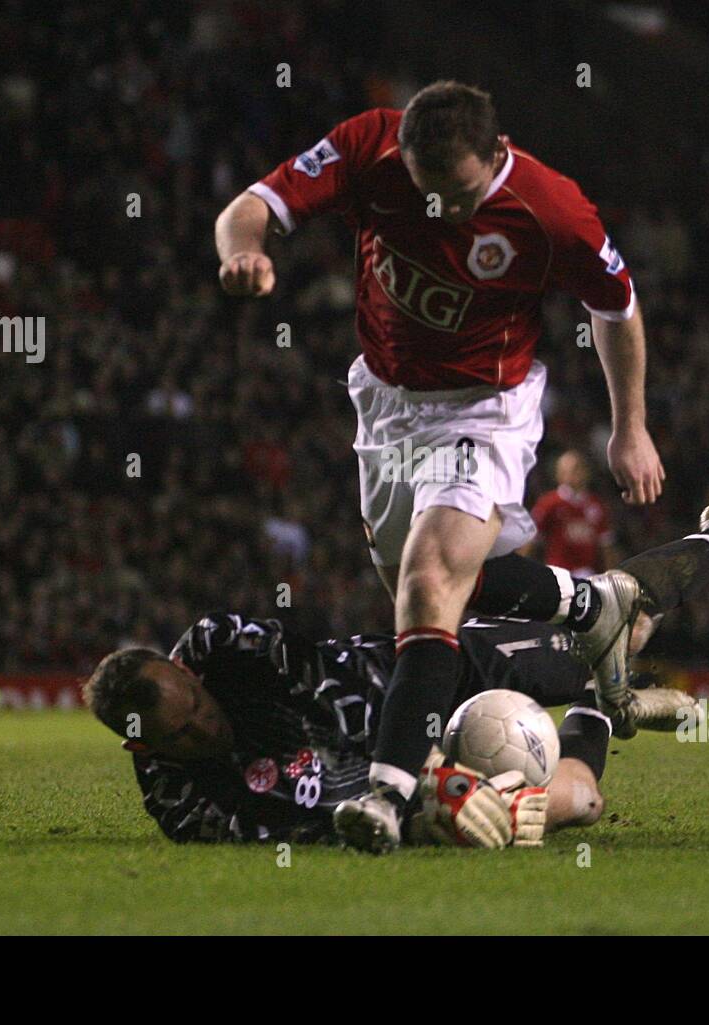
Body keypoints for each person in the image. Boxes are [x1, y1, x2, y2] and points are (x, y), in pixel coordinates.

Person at [215, 80, 664, 849]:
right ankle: (590, 605)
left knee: (429, 581)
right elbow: (247, 208)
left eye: (456, 195)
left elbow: (617, 307)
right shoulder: (369, 146)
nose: (442, 212)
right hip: (385, 405)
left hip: (483, 406)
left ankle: (388, 797)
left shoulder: (551, 209)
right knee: (427, 601)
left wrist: (632, 428)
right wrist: (245, 252)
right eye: (426, 192)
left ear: (496, 153)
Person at [83, 499, 709, 850]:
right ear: (141, 749)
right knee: (580, 802)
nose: (204, 720)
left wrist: (400, 766)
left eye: (195, 702)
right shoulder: (184, 804)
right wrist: (432, 787)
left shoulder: (216, 647)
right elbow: (297, 810)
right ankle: (602, 701)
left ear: (182, 670)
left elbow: (313, 672)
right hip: (416, 784)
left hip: (431, 665)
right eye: (183, 732)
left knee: (627, 619)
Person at [531, 450, 616, 577]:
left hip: (587, 574)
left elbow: (606, 546)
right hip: (558, 573)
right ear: (558, 474)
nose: (573, 474)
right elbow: (532, 542)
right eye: (567, 470)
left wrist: (611, 576)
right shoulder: (548, 504)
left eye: (577, 469)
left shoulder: (596, 505)